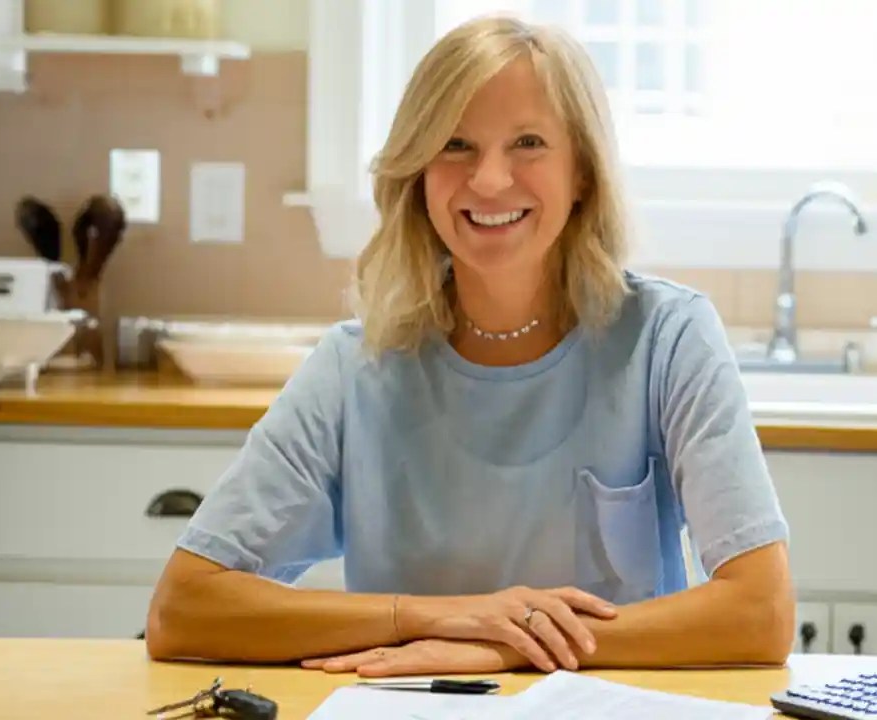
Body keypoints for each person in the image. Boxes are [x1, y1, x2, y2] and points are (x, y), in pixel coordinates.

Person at [146, 13, 794, 678]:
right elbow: (183, 609)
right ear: (418, 172)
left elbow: (761, 613)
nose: (488, 180)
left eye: (529, 143)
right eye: (455, 145)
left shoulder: (667, 339)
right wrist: (429, 618)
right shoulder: (354, 368)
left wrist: (510, 646)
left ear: (583, 176)